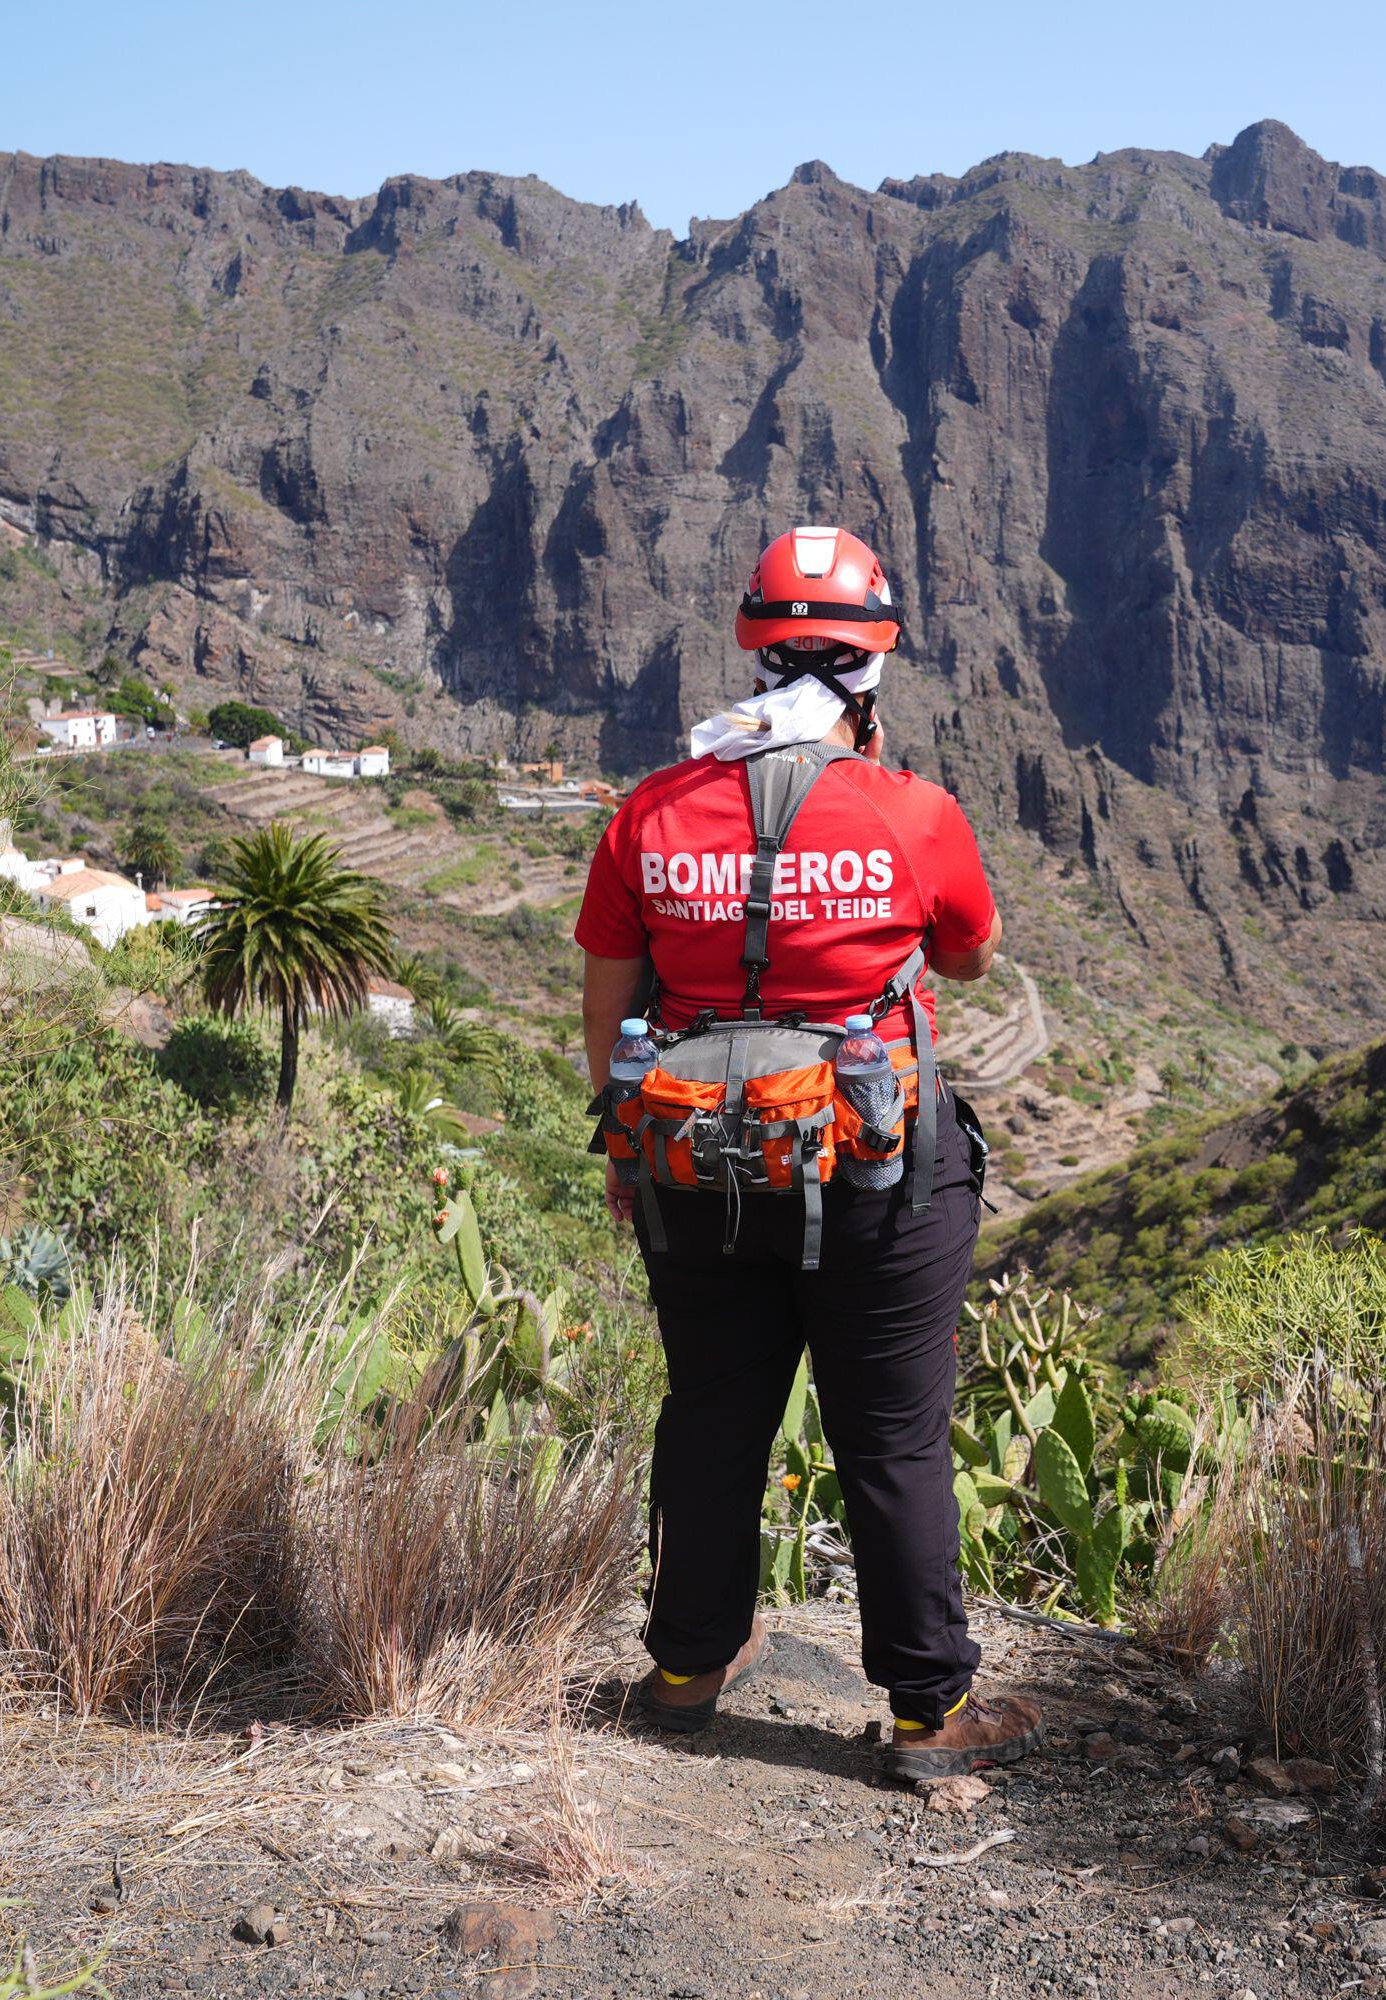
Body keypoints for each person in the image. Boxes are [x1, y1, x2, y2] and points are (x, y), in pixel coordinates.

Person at [573, 525, 1045, 1784]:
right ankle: (928, 1712)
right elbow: (969, 957)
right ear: (874, 669)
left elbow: (609, 998)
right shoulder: (915, 813)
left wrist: (626, 1150)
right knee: (892, 1433)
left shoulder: (648, 814)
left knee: (713, 1409)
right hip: (878, 1168)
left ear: (753, 651)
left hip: (693, 1162)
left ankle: (685, 1668)